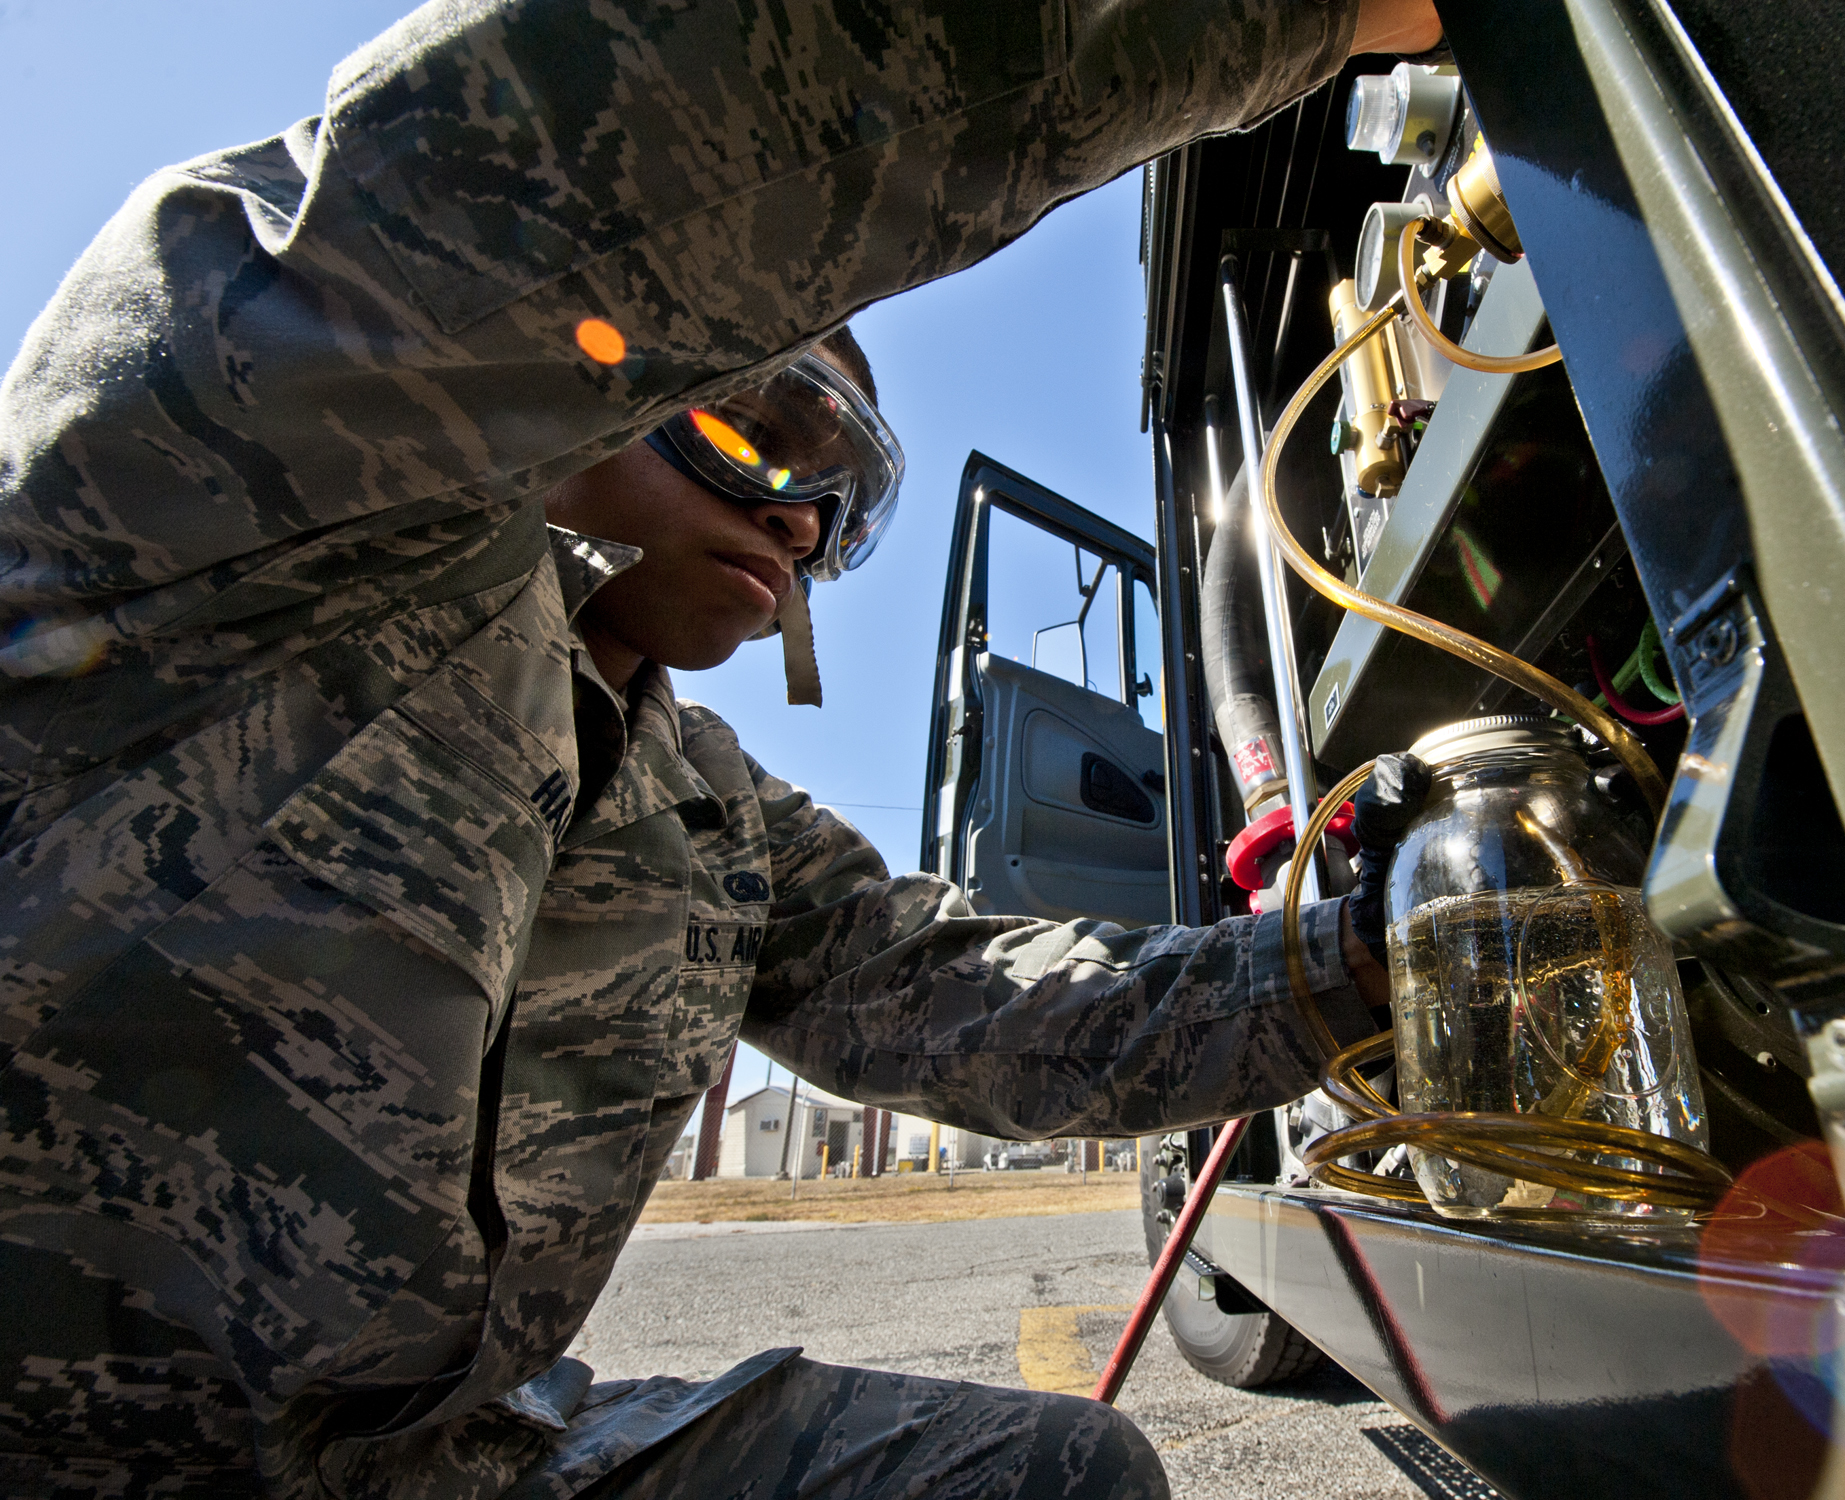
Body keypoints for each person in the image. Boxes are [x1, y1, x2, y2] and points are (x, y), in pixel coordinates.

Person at [0, 1, 1442, 1496]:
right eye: (767, 429)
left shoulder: (709, 811)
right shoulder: (265, 486)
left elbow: (973, 1008)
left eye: (848, 502)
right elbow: (575, 149)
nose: (802, 522)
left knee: (1049, 1473)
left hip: (439, 1461)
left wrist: (1370, 963)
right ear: (597, 370)